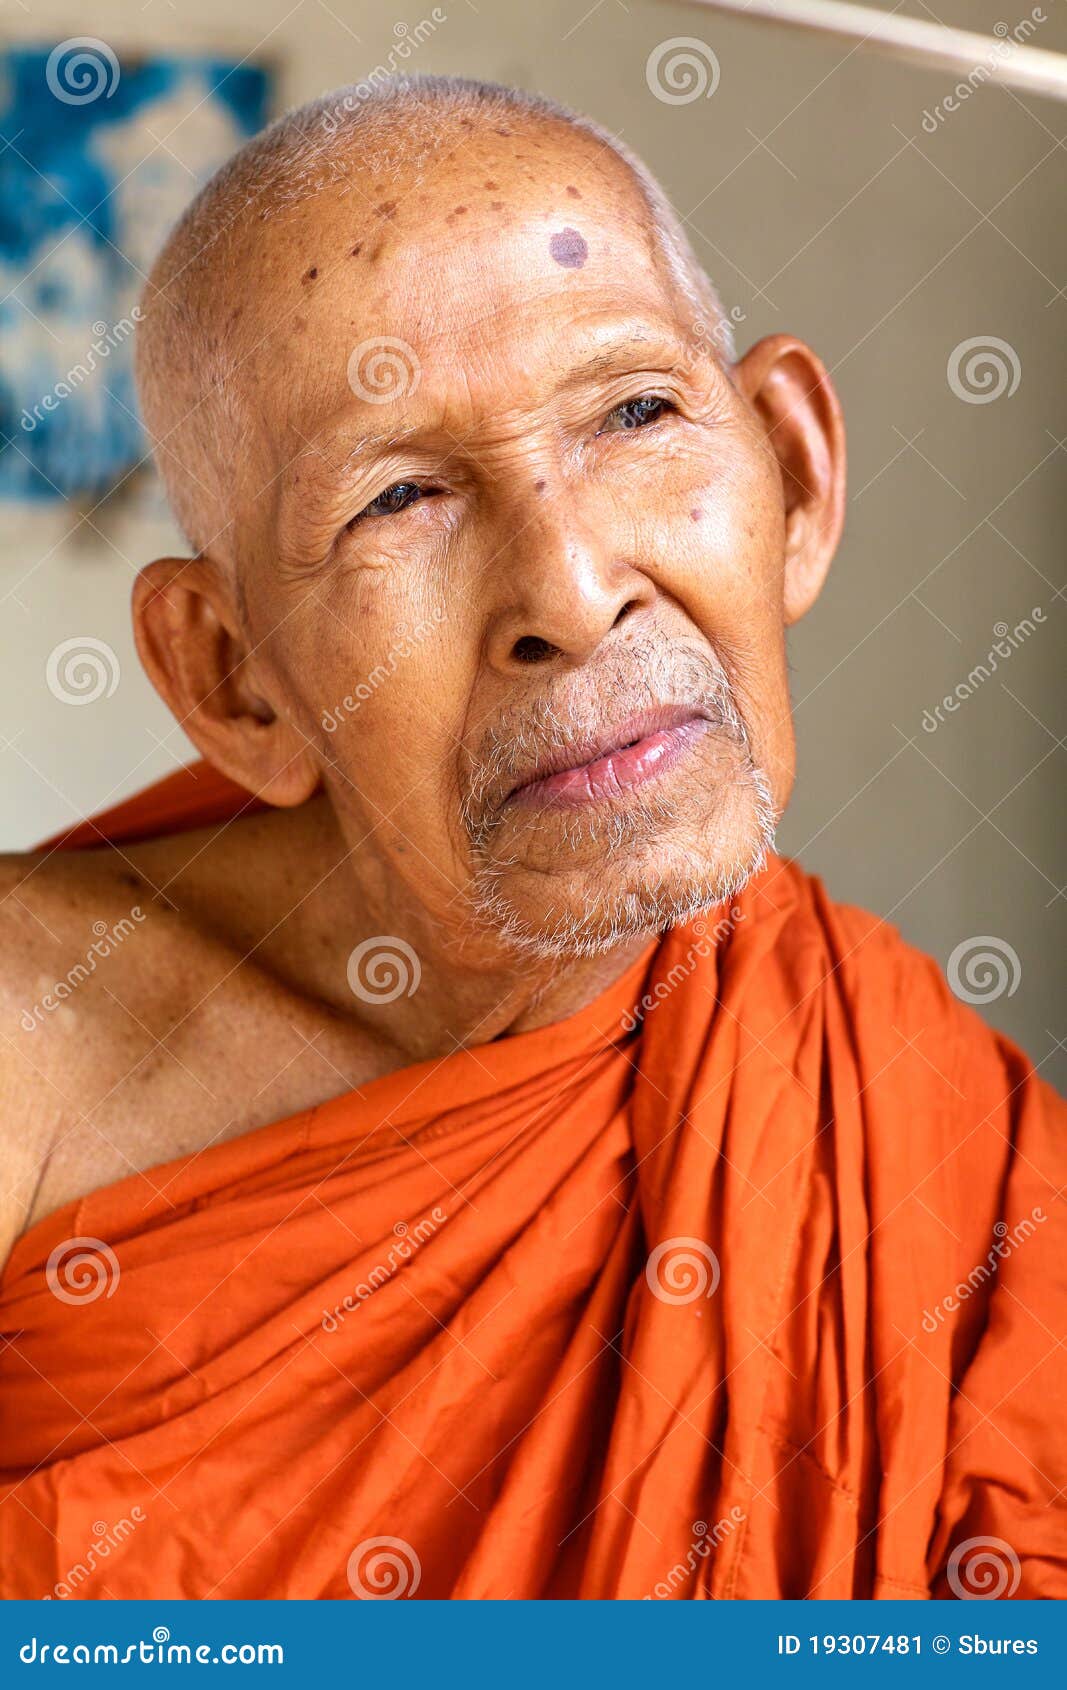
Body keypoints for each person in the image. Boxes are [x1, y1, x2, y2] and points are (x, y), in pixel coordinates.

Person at [1, 75, 1062, 1600]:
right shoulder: (32, 1048)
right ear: (232, 677)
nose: (568, 591)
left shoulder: (928, 1144)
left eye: (635, 413)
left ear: (795, 471)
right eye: (400, 498)